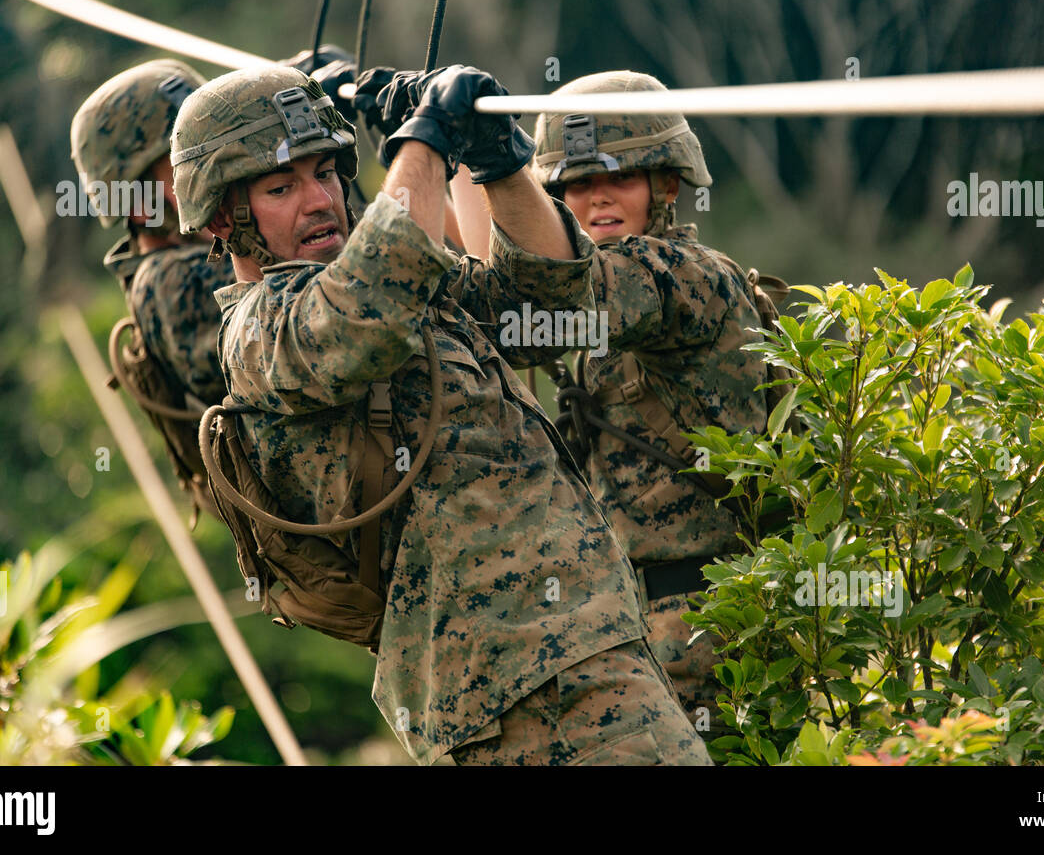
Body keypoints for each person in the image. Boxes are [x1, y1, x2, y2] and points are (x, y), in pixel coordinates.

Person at [170, 62, 710, 766]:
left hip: (576, 653)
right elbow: (370, 301)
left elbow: (548, 303)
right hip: (517, 690)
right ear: (223, 218)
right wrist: (424, 138)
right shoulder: (262, 332)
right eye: (281, 187)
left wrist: (498, 162)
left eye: (326, 174)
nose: (319, 200)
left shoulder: (404, 289)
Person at [519, 70, 784, 737]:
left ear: (667, 184)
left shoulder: (689, 279)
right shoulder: (605, 298)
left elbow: (555, 293)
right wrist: (439, 155)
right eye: (577, 183)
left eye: (622, 176)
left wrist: (497, 168)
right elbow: (505, 295)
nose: (598, 197)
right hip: (632, 622)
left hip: (714, 623)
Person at [70, 58, 235, 515]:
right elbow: (341, 294)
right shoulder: (171, 287)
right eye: (191, 158)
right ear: (139, 201)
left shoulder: (212, 251)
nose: (220, 168)